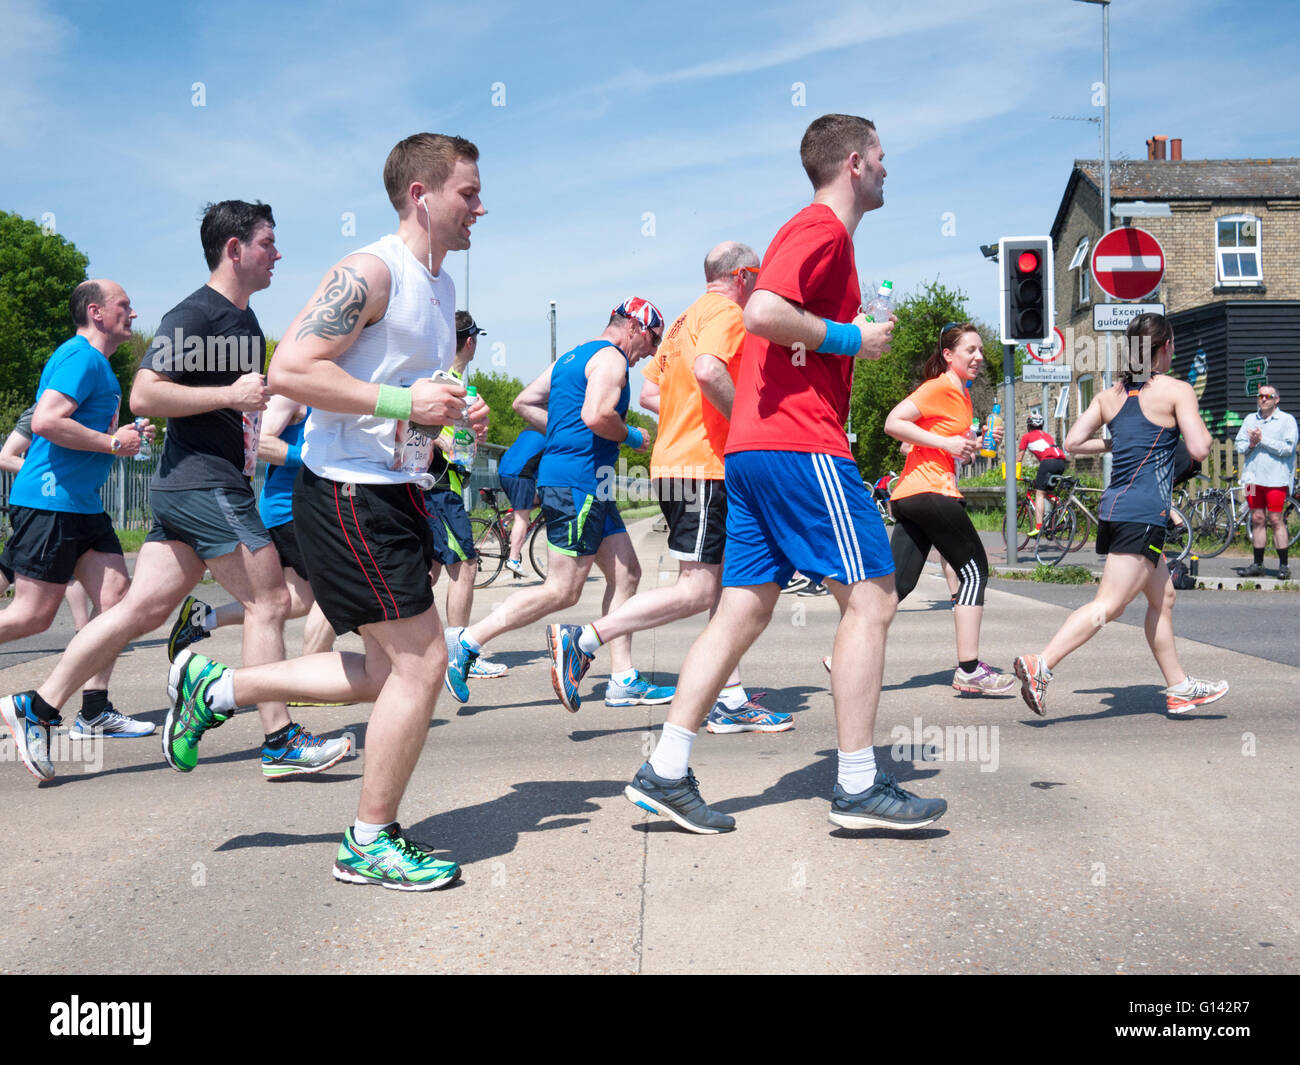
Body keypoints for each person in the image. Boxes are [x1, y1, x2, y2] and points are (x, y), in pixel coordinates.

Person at [164, 132, 489, 890]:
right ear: (422, 195)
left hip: (395, 488)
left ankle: (216, 688)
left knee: (386, 671)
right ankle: (369, 838)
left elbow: (403, 382)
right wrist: (407, 400)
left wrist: (451, 407)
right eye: (468, 193)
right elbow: (290, 370)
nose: (480, 206)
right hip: (346, 492)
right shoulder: (369, 270)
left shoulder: (439, 288)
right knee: (423, 663)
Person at [624, 113, 947, 834]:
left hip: (752, 448)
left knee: (743, 606)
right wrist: (851, 337)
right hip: (801, 444)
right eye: (884, 158)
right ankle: (859, 785)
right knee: (874, 597)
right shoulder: (821, 228)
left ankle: (666, 770)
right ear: (855, 162)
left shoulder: (820, 237)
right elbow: (765, 310)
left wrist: (844, 342)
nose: (890, 169)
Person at [0, 203, 350, 785]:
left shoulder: (247, 321)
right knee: (270, 602)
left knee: (141, 608)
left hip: (199, 486)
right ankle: (280, 737)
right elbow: (145, 395)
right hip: (202, 484)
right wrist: (229, 396)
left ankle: (34, 708)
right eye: (268, 242)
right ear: (234, 250)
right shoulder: (195, 315)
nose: (277, 253)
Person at [548, 243, 790, 733]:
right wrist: (746, 421)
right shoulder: (725, 312)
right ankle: (585, 639)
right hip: (702, 468)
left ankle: (730, 697)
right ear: (743, 276)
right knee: (699, 588)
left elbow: (651, 392)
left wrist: (687, 415)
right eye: (758, 277)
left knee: (722, 584)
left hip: (676, 463)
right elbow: (707, 371)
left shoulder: (680, 323)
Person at [444, 299, 670, 708]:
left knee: (627, 574)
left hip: (587, 484)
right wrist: (633, 437)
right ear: (636, 327)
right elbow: (600, 415)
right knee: (563, 590)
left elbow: (523, 403)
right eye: (653, 339)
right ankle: (469, 642)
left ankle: (622, 679)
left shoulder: (571, 357)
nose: (652, 351)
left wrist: (565, 432)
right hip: (578, 485)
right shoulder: (613, 360)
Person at [1014, 313, 1229, 716]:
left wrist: (1118, 442)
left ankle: (1179, 686)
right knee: (1108, 606)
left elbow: (1074, 442)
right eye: (1172, 345)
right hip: (1143, 512)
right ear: (1165, 348)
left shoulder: (1110, 395)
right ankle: (1041, 665)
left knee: (1162, 598)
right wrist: (1184, 424)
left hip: (1114, 509)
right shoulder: (1176, 390)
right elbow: (1200, 449)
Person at [0, 281, 157, 778]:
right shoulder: (80, 356)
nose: (132, 313)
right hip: (49, 502)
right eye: (123, 307)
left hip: (82, 507)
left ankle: (93, 710)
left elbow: (92, 434)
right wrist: (113, 443)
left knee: (119, 602)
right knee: (33, 617)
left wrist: (128, 437)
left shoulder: (101, 368)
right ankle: (32, 712)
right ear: (96, 312)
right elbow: (46, 421)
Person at [883, 323, 1014, 696]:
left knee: (898, 584)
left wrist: (975, 441)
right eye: (970, 350)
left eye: (981, 351)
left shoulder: (962, 395)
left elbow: (939, 446)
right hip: (931, 491)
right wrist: (949, 443)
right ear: (948, 355)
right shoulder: (940, 386)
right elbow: (894, 424)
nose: (978, 357)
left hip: (914, 493)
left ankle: (844, 653)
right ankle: (970, 670)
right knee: (974, 571)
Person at [166, 393, 336, 672]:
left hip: (310, 511)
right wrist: (312, 460)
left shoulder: (326, 396)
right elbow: (258, 443)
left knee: (298, 600)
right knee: (337, 586)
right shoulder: (291, 395)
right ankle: (312, 675)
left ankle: (203, 619)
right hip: (290, 512)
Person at [422, 311, 507, 679]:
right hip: (439, 486)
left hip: (437, 484)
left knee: (431, 570)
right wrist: (445, 440)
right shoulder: (442, 378)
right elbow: (420, 426)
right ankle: (459, 656)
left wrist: (473, 438)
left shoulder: (449, 378)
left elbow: (463, 442)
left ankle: (411, 649)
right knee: (466, 566)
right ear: (470, 341)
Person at [0, 402, 94, 626]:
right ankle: (84, 633)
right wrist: (48, 476)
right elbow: (5, 457)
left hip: (70, 504)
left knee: (69, 565)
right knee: (33, 609)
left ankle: (84, 633)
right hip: (41, 505)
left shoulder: (88, 410)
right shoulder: (40, 411)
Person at [1235, 384, 1297, 579]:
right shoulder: (1250, 419)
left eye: (1268, 396)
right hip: (1253, 479)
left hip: (1275, 480)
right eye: (1260, 396)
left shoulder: (1286, 420)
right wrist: (1251, 443)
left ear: (1276, 399)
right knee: (1257, 519)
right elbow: (1239, 445)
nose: (1263, 399)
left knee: (1276, 519)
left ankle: (1284, 565)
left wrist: (1262, 440)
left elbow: (1287, 448)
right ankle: (1257, 564)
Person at [497, 427, 544, 576]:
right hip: (521, 476)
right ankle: (514, 559)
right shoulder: (551, 433)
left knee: (532, 502)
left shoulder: (529, 428)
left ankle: (505, 520)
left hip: (505, 472)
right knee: (522, 520)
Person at [1016, 412, 1068, 535]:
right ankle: (1062, 507)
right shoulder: (1047, 436)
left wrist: (1015, 474)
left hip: (1048, 463)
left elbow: (1019, 458)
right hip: (1061, 463)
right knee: (1047, 492)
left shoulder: (1026, 437)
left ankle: (1039, 527)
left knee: (1039, 494)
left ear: (1029, 426)